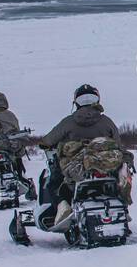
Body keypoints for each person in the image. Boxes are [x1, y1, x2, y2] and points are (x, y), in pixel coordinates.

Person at [38, 84, 125, 226]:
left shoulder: (68, 122)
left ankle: (62, 206)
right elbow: (118, 144)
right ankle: (120, 204)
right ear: (97, 100)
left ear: (76, 101)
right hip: (104, 166)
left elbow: (49, 140)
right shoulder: (106, 121)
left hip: (75, 167)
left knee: (53, 183)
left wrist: (44, 144)